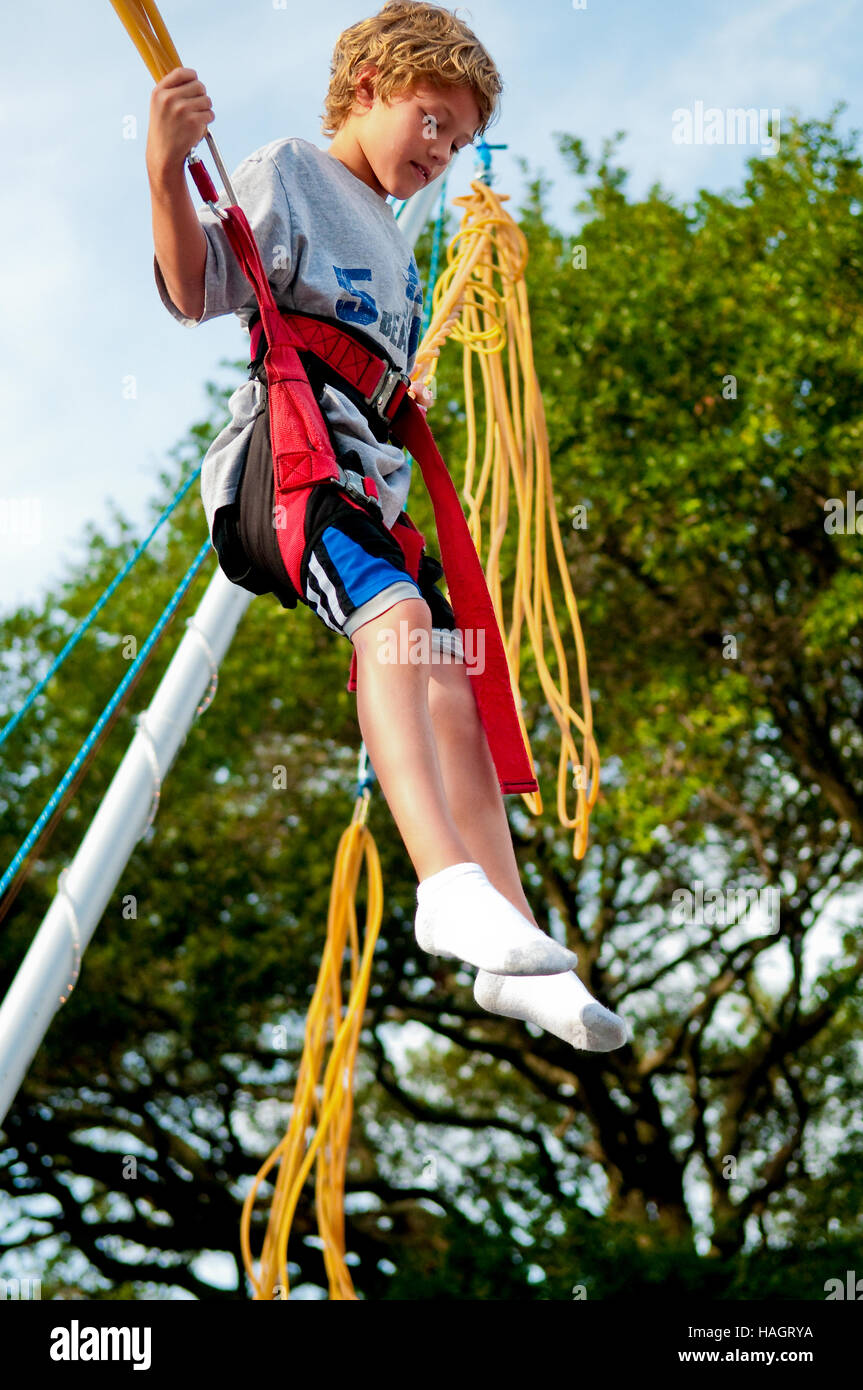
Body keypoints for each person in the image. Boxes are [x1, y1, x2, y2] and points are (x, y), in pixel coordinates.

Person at [145, 0, 626, 1053]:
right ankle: (443, 881)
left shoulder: (401, 257)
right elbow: (194, 291)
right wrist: (162, 165)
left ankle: (511, 936)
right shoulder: (289, 171)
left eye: (457, 139)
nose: (442, 151)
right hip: (286, 469)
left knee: (447, 667)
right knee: (399, 621)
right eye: (431, 121)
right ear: (368, 86)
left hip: (362, 479)